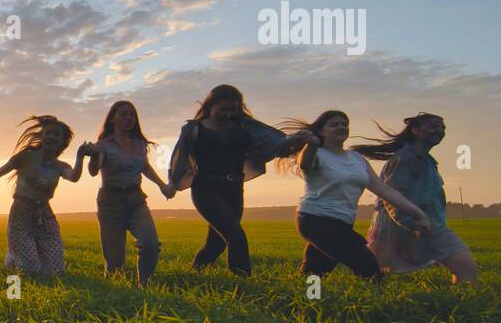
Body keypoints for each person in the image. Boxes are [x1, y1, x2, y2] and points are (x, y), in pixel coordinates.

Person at [168, 84, 308, 276]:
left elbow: (273, 144)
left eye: (232, 110)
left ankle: (194, 273)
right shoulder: (194, 129)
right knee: (236, 236)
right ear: (210, 106)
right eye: (223, 110)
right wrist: (172, 183)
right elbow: (180, 157)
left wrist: (294, 140)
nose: (228, 114)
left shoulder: (244, 126)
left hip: (234, 189)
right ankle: (243, 281)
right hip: (205, 189)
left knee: (216, 244)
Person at [280, 110, 430, 280]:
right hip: (315, 220)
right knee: (368, 266)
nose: (341, 127)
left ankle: (306, 295)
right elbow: (304, 165)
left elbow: (385, 190)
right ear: (321, 131)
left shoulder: (356, 159)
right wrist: (311, 145)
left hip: (342, 223)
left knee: (315, 272)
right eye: (334, 125)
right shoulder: (316, 153)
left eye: (344, 124)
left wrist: (417, 213)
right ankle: (378, 296)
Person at [351, 112, 478, 285]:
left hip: (426, 222)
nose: (440, 131)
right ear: (415, 130)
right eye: (433, 126)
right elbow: (391, 195)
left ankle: (461, 299)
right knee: (464, 265)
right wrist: (411, 222)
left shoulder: (426, 160)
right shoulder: (403, 159)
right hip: (411, 223)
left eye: (443, 128)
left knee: (464, 266)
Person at [0, 115, 88, 275]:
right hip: (21, 212)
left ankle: (16, 253)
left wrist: (80, 157)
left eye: (56, 135)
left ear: (63, 142)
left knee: (56, 271)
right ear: (42, 135)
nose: (51, 137)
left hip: (44, 214)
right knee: (30, 271)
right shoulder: (25, 157)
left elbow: (73, 177)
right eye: (48, 133)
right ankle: (14, 255)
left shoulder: (61, 166)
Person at [86, 100, 175, 286]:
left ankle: (145, 285)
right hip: (110, 202)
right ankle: (115, 295)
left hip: (136, 201)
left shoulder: (139, 144)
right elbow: (93, 171)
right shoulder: (103, 145)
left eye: (132, 114)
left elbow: (145, 167)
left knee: (150, 245)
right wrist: (93, 156)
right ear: (112, 119)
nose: (129, 118)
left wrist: (162, 185)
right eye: (123, 114)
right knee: (115, 263)